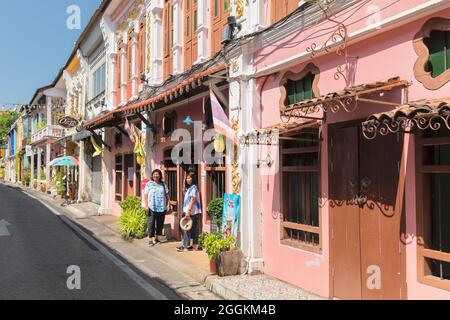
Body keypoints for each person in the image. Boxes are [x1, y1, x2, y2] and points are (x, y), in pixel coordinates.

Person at [143, 169, 170, 246]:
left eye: (157, 174)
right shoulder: (149, 184)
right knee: (151, 223)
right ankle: (150, 239)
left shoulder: (163, 184)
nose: (156, 175)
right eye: (154, 174)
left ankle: (157, 238)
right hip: (152, 207)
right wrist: (146, 205)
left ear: (160, 175)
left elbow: (167, 195)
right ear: (152, 175)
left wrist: (168, 204)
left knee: (160, 223)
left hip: (162, 207)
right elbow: (145, 195)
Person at [178, 172, 202, 252]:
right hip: (193, 211)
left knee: (186, 228)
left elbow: (193, 199)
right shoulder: (191, 188)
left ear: (193, 178)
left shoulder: (193, 188)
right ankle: (194, 245)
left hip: (190, 211)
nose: (187, 179)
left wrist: (188, 211)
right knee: (194, 228)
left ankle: (186, 246)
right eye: (187, 178)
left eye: (189, 178)